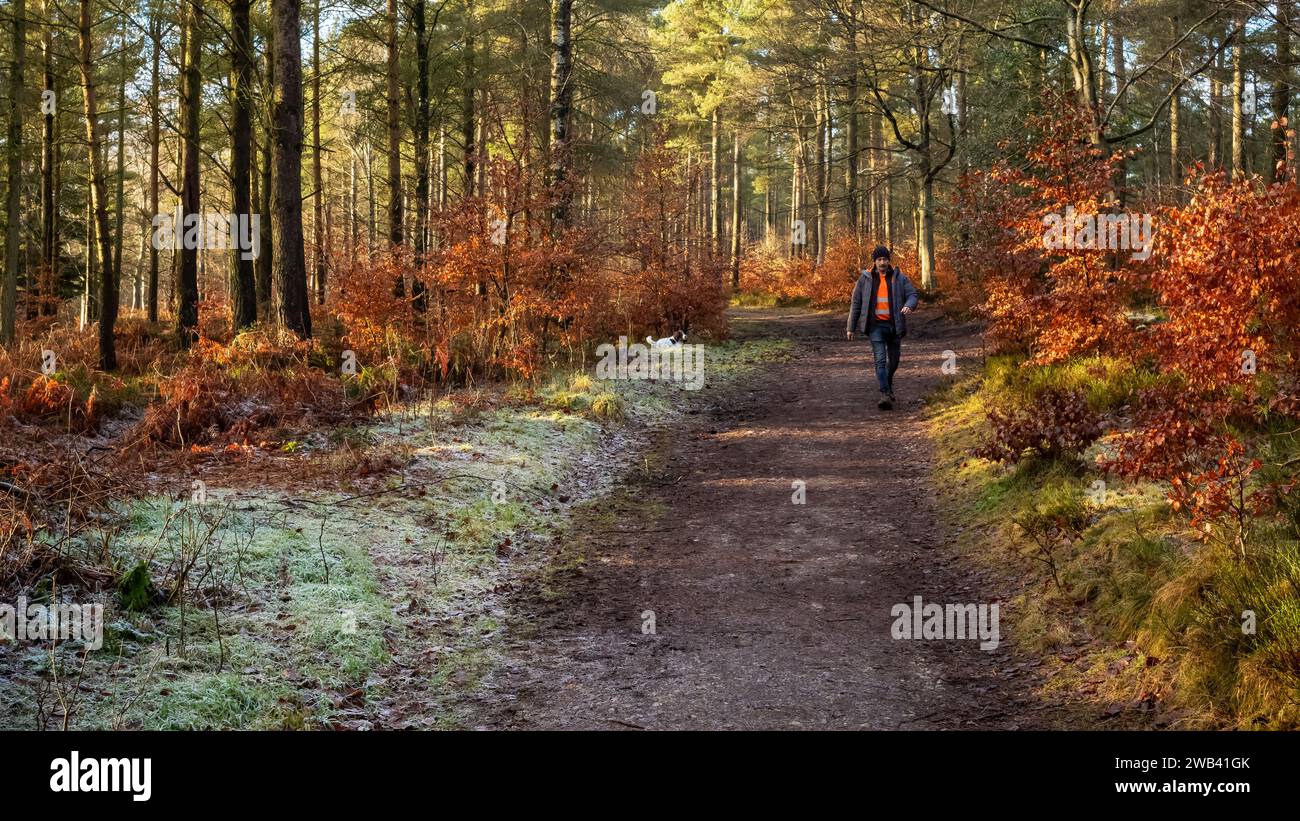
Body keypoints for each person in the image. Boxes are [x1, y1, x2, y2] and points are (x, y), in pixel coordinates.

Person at [845, 246, 919, 410]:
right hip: (875, 326)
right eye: (879, 260)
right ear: (874, 262)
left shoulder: (899, 278)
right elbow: (856, 304)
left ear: (889, 261)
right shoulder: (865, 279)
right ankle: (885, 393)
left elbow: (913, 295)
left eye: (885, 259)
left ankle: (888, 383)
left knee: (894, 362)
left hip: (894, 326)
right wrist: (850, 327)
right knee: (880, 360)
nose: (882, 262)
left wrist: (909, 306)